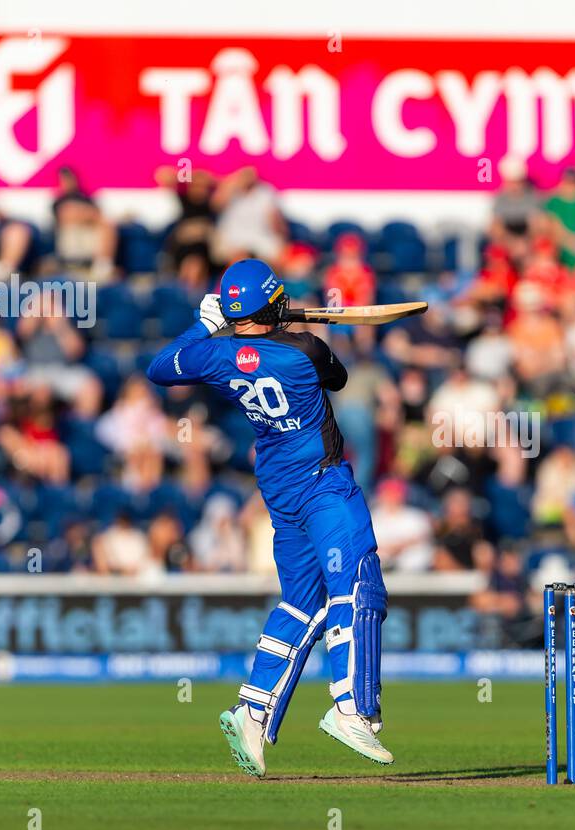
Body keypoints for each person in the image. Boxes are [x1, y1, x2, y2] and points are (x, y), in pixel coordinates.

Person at [147, 258, 393, 774]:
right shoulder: (305, 349)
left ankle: (252, 711)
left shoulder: (215, 355)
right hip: (323, 482)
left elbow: (161, 366)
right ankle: (353, 708)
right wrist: (284, 325)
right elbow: (339, 377)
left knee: (302, 604)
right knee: (359, 583)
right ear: (273, 304)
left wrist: (207, 324)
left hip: (279, 491)